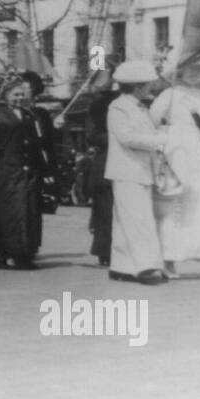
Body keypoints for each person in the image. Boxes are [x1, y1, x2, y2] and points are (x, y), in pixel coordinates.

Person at [149, 64, 200, 278]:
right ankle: (169, 260)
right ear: (180, 71)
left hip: (198, 150)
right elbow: (150, 122)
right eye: (191, 68)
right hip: (176, 150)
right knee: (176, 204)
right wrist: (163, 143)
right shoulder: (169, 94)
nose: (196, 72)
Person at [103, 61, 168, 285]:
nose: (150, 87)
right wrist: (160, 140)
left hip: (139, 170)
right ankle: (146, 267)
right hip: (127, 170)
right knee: (138, 220)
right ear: (137, 86)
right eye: (147, 84)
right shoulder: (118, 107)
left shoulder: (140, 107)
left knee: (126, 220)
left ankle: (122, 266)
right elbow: (127, 138)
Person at [0, 73, 54, 271]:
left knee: (28, 213)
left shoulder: (28, 115)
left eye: (21, 95)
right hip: (7, 170)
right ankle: (1, 254)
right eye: (15, 94)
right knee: (8, 213)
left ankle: (24, 254)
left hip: (27, 171)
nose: (19, 98)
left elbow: (37, 143)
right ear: (6, 94)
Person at [86, 90, 120, 267]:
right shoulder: (98, 110)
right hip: (105, 166)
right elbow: (92, 136)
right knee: (104, 212)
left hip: (121, 166)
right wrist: (117, 137)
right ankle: (104, 250)